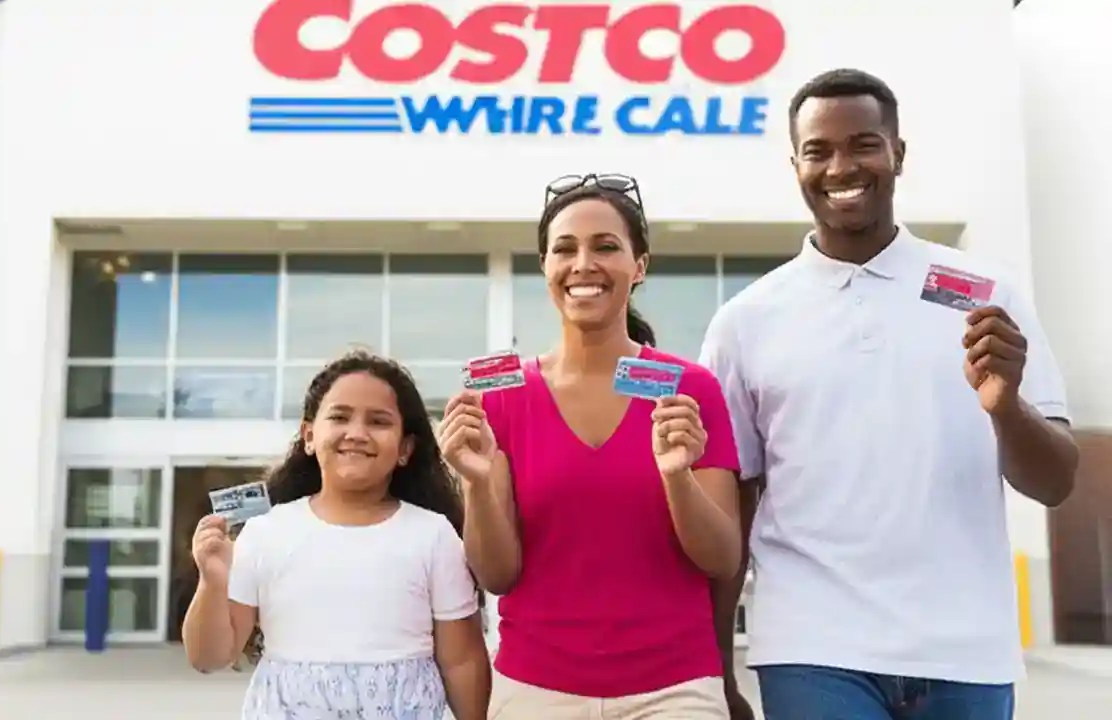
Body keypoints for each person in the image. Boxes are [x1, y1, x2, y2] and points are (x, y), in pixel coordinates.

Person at [700, 68, 1080, 720]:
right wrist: (714, 670)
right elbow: (732, 500)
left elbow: (1055, 482)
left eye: (864, 144)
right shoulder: (747, 320)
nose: (841, 166)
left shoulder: (987, 294)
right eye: (818, 150)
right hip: (812, 646)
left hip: (967, 651)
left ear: (898, 154)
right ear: (795, 165)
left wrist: (1005, 407)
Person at [440, 173, 743, 718]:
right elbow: (496, 575)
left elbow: (722, 558)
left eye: (606, 247)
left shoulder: (690, 389)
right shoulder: (502, 398)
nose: (584, 264)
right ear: (545, 267)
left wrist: (677, 476)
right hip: (536, 688)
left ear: (640, 266)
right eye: (565, 249)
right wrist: (480, 484)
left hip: (674, 690)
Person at [182, 350, 492, 720]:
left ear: (405, 449)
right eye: (340, 417)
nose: (357, 433)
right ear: (309, 436)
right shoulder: (265, 532)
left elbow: (461, 661)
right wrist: (212, 582)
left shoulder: (433, 535)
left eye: (378, 421)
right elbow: (209, 656)